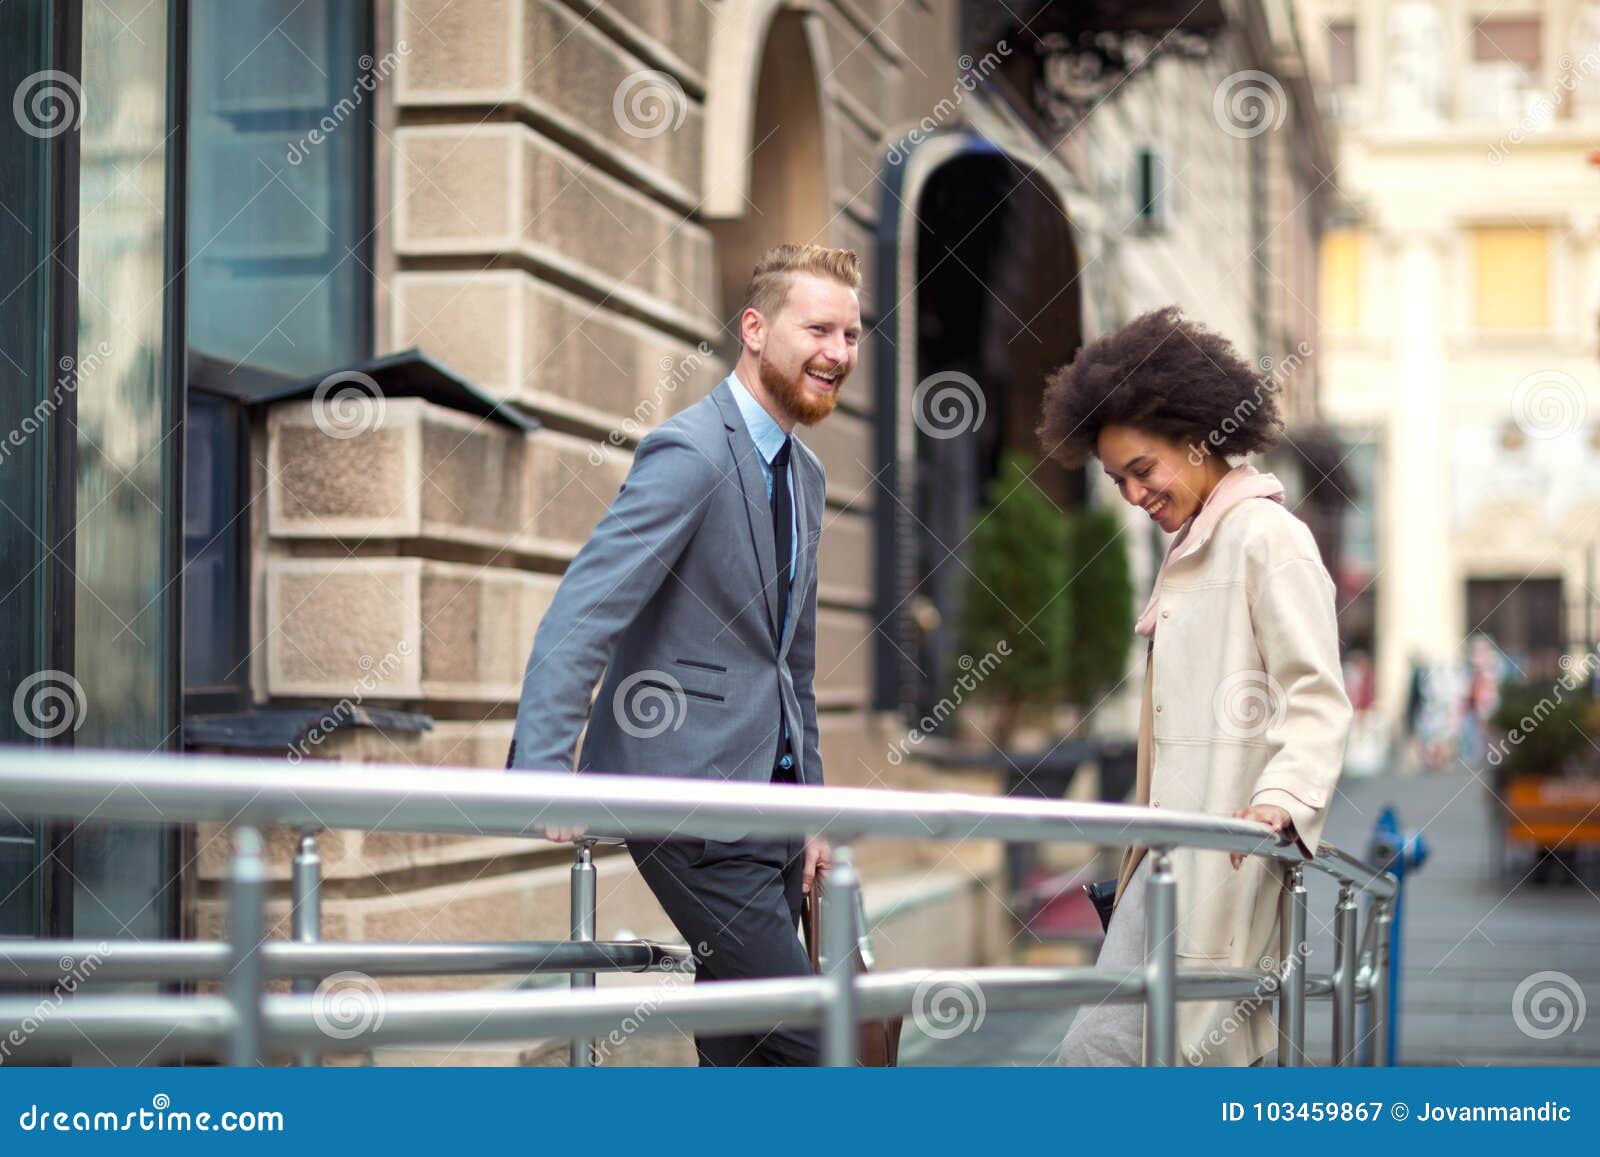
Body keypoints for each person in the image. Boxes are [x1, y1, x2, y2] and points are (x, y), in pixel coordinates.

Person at [508, 243, 862, 1066]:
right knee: (814, 1043)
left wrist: (809, 810)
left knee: (744, 1054)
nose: (838, 353)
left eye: (850, 334)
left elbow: (791, 667)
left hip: (768, 816)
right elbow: (582, 610)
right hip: (691, 806)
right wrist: (545, 766)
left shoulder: (804, 475)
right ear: (753, 328)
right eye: (818, 328)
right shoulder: (691, 452)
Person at [1038, 306, 1352, 1066]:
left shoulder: (1266, 537)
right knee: (1136, 1060)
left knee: (1116, 1060)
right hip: (1167, 866)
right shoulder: (1201, 542)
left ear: (1197, 438)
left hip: (1222, 863)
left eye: (1143, 470)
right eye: (1117, 480)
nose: (1133, 495)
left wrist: (1283, 796)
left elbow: (1316, 692)